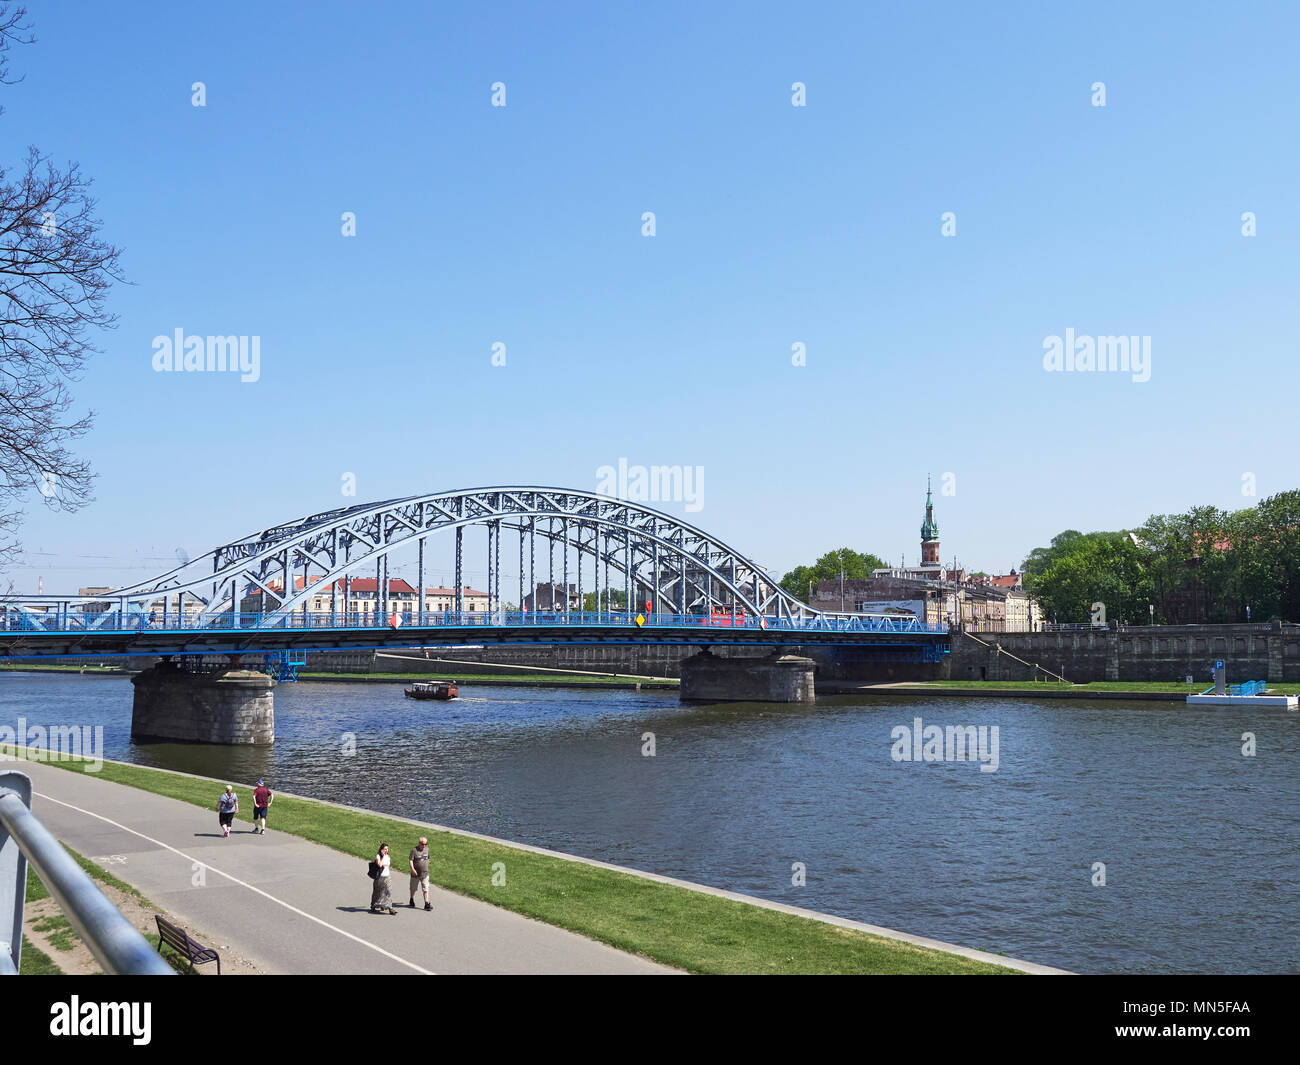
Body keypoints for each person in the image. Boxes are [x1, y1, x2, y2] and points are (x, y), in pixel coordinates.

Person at [370, 843, 397, 915]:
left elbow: (387, 866)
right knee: (378, 892)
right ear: (381, 850)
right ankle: (373, 905)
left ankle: (390, 908)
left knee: (388, 891)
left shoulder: (388, 856)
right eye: (385, 849)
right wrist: (383, 856)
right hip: (379, 877)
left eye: (387, 849)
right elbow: (380, 865)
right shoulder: (378, 856)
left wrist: (386, 856)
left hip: (387, 877)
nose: (386, 850)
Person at [408, 837, 431, 911]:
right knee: (413, 888)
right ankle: (411, 899)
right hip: (415, 873)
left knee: (425, 888)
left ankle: (426, 904)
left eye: (425, 844)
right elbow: (411, 860)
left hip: (425, 873)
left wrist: (426, 864)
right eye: (422, 844)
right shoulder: (414, 850)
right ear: (419, 843)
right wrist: (412, 869)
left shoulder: (427, 849)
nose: (424, 845)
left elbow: (428, 858)